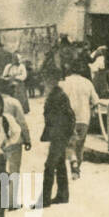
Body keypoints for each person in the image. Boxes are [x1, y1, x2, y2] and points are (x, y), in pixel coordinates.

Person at [38, 73, 76, 209]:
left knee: (49, 166)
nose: (45, 83)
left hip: (59, 135)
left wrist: (66, 134)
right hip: (58, 135)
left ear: (53, 81)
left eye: (47, 79)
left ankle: (45, 199)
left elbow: (69, 116)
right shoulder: (55, 95)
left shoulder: (59, 96)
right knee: (60, 164)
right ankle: (63, 195)